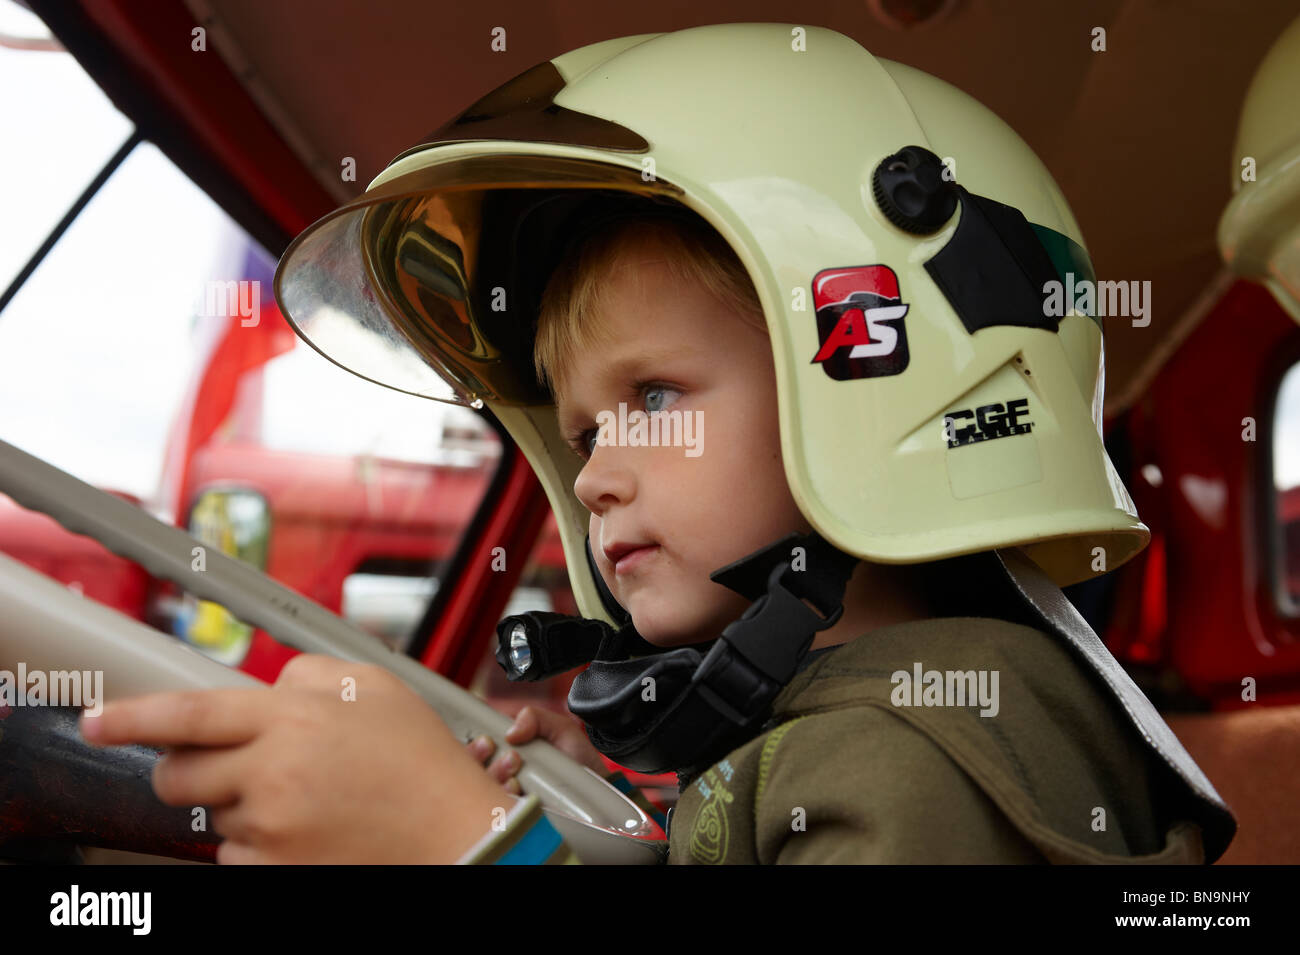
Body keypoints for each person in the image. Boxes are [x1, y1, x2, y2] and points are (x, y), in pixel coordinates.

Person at [81, 22, 1236, 864]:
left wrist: (470, 846)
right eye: (581, 429)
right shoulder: (857, 719)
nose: (592, 471)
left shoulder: (921, 757)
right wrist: (589, 823)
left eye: (654, 397)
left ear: (882, 366)